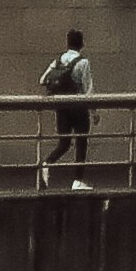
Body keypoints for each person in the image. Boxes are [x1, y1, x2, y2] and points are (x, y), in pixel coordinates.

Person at [37, 24, 94, 187]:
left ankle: (47, 163)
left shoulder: (58, 60)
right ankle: (77, 181)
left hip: (62, 107)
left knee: (64, 143)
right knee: (81, 143)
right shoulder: (83, 62)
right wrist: (95, 111)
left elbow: (43, 80)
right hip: (79, 108)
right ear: (81, 44)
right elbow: (88, 88)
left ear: (68, 43)